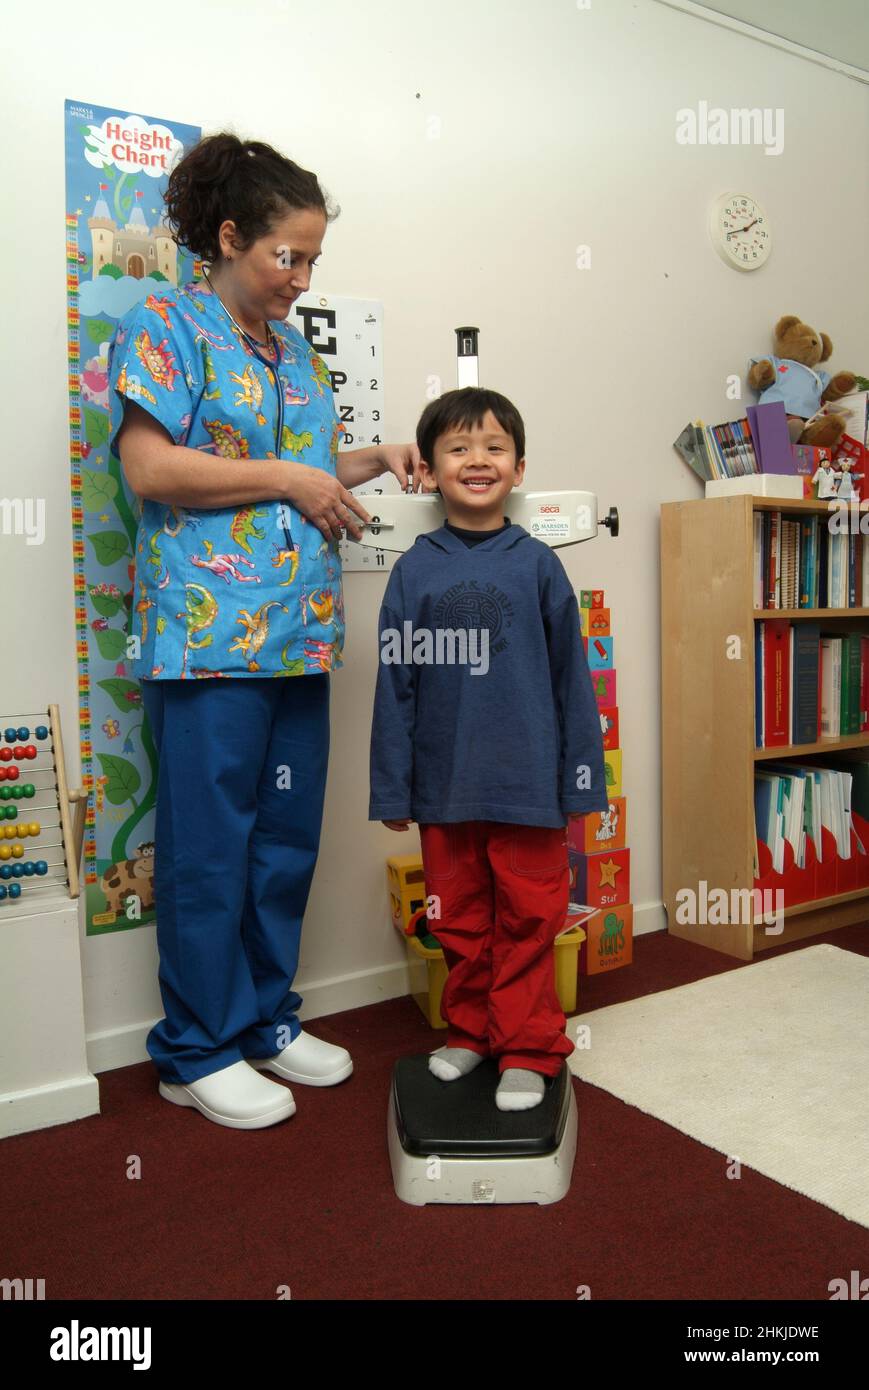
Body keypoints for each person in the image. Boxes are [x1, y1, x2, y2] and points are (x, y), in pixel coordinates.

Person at [108, 133, 419, 1131]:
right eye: (285, 255)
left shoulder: (291, 350)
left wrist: (378, 455)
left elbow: (309, 461)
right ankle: (194, 1047)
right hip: (206, 642)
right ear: (229, 236)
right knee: (210, 850)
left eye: (313, 259)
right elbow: (153, 469)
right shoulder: (166, 326)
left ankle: (263, 1022)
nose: (300, 277)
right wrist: (295, 477)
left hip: (300, 636)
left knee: (282, 842)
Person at [369, 388, 608, 1111]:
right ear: (430, 469)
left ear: (519, 466)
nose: (477, 460)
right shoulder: (413, 569)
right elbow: (395, 685)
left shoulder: (537, 566)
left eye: (493, 447)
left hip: (530, 787)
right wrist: (392, 787)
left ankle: (528, 1047)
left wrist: (580, 783)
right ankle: (470, 1034)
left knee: (530, 919)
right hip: (445, 790)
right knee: (458, 919)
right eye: (458, 448)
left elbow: (573, 682)